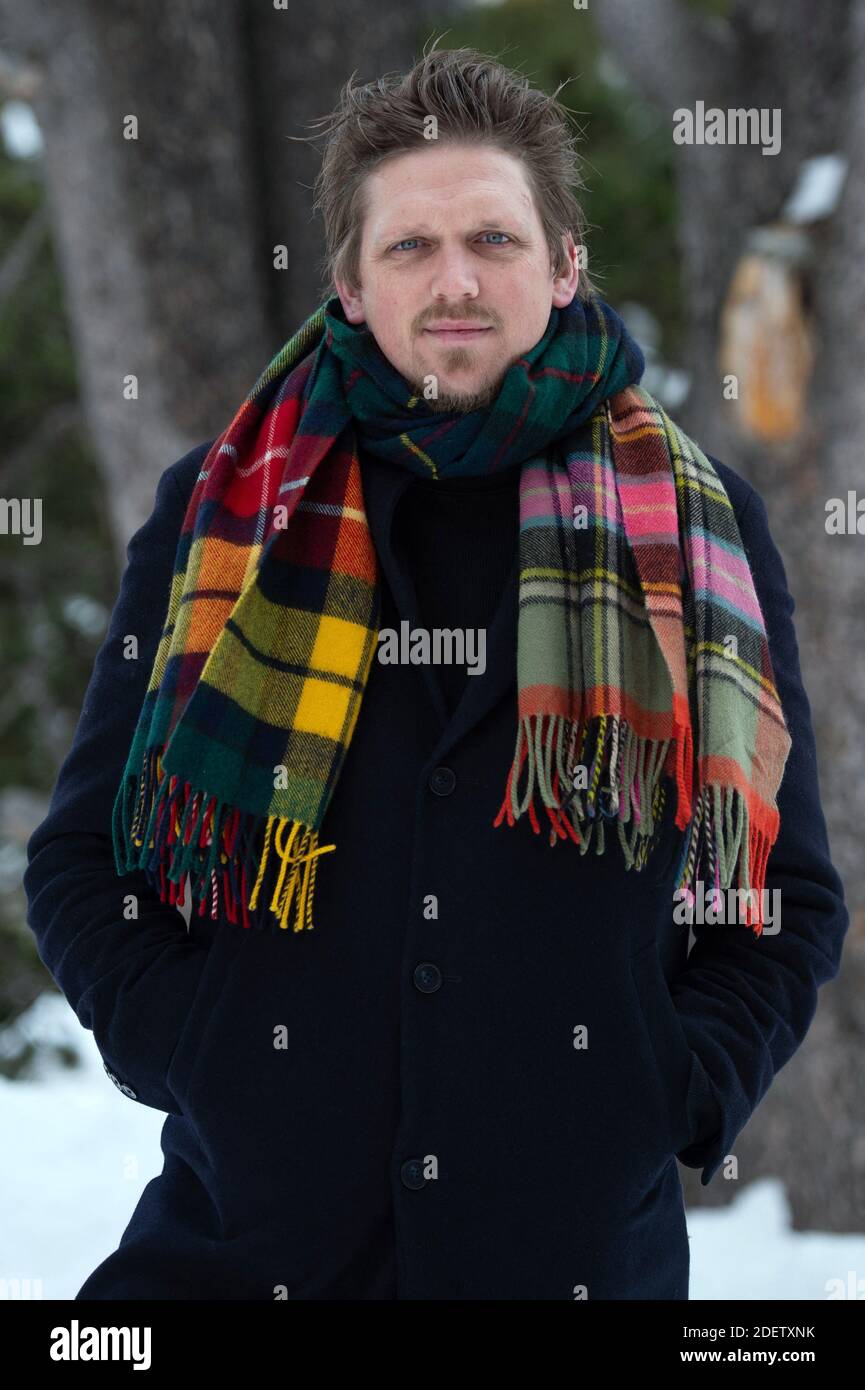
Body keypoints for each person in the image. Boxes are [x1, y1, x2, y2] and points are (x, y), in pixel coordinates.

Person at [24, 43, 849, 1301]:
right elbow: (84, 857)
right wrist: (196, 1051)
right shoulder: (220, 511)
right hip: (245, 1255)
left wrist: (667, 1088)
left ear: (565, 262)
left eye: (494, 240)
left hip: (568, 1266)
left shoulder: (696, 527)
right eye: (409, 247)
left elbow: (783, 893)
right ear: (350, 283)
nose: (454, 281)